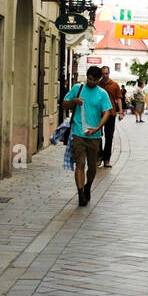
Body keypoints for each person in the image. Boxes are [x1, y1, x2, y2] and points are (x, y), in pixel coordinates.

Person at [63, 66, 113, 208]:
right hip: (78, 133)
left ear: (99, 80)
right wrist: (74, 102)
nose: (91, 82)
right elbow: (64, 104)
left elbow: (107, 112)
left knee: (92, 167)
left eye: (94, 80)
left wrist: (98, 127)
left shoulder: (102, 94)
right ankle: (80, 195)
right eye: (89, 79)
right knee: (79, 163)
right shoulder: (78, 88)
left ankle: (88, 186)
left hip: (94, 135)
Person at [98, 66, 123, 169]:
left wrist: (121, 112)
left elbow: (118, 99)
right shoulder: (98, 85)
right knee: (97, 136)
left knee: (109, 137)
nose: (105, 75)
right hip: (98, 114)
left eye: (106, 73)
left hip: (111, 114)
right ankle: (99, 156)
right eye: (103, 73)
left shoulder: (114, 85)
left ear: (109, 73)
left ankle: (107, 159)